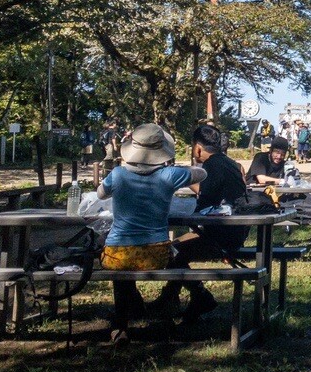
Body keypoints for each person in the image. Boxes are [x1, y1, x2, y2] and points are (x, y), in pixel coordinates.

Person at [97, 124, 204, 345]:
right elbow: (201, 173)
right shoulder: (170, 175)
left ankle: (121, 325)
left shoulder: (117, 175)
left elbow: (100, 193)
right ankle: (154, 307)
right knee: (172, 253)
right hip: (156, 254)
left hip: (119, 253)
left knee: (119, 262)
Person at [147, 124, 246, 324]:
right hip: (236, 230)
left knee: (170, 251)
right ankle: (174, 298)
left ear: (198, 147)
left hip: (221, 236)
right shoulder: (230, 163)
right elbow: (211, 194)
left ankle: (197, 296)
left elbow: (204, 203)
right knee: (174, 249)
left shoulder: (212, 166)